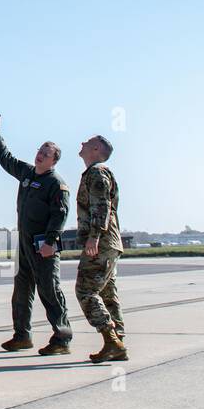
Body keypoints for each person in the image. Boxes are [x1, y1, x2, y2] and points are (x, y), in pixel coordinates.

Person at [0, 110, 73, 355]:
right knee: (21, 292)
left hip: (43, 246)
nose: (40, 155)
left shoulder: (56, 184)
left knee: (49, 291)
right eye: (39, 151)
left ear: (53, 161)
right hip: (24, 245)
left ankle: (62, 338)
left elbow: (60, 214)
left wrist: (51, 241)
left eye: (46, 154)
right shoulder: (27, 173)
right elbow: (6, 159)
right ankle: (22, 335)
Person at [75, 134, 128, 363]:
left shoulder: (97, 172)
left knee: (85, 291)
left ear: (96, 148)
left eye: (86, 142)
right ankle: (118, 342)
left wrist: (93, 237)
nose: (82, 144)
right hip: (110, 242)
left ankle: (111, 340)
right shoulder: (97, 172)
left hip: (102, 242)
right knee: (107, 294)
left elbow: (101, 207)